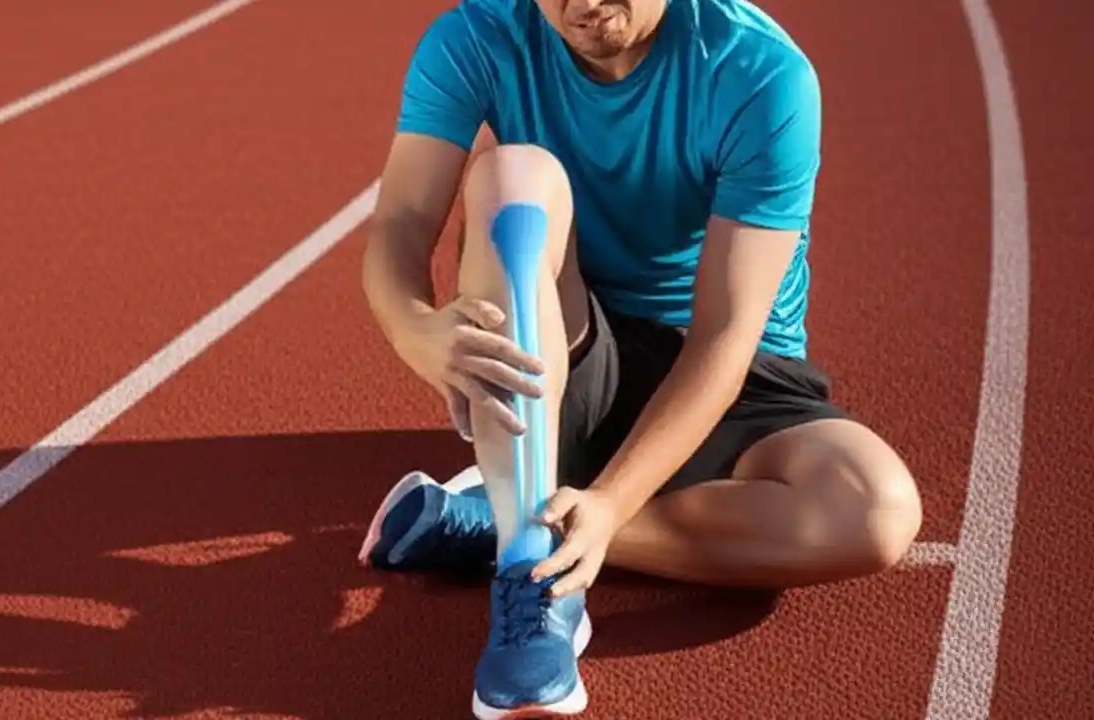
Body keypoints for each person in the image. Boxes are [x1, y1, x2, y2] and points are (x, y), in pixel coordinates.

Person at [356, 0, 924, 717]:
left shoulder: (760, 73)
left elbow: (724, 336)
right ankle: (534, 581)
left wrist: (614, 504)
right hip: (567, 348)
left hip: (728, 367)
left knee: (877, 511)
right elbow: (402, 220)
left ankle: (510, 520)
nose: (584, 2)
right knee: (512, 176)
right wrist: (415, 329)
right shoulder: (477, 36)